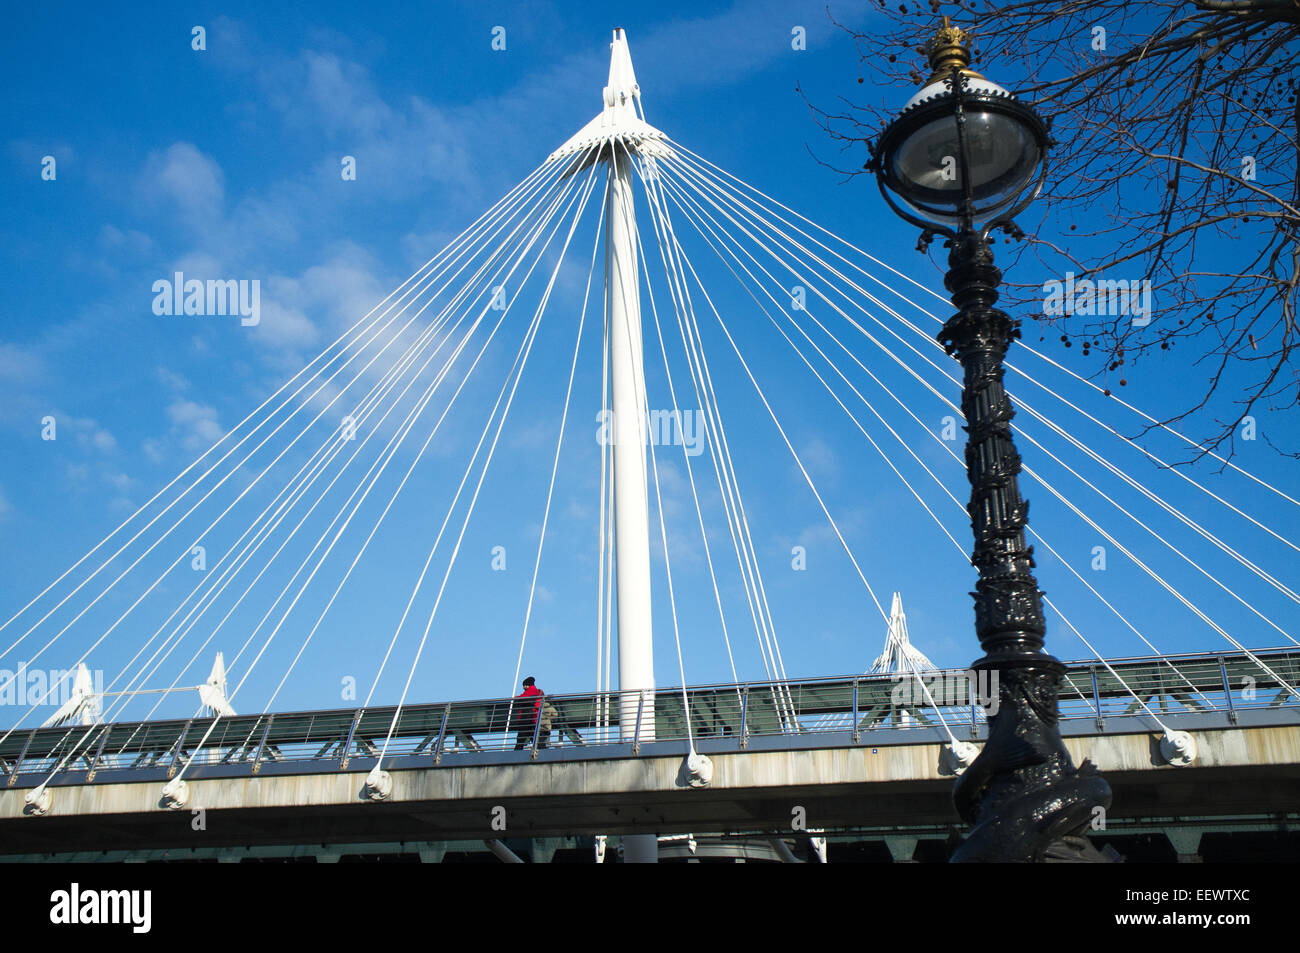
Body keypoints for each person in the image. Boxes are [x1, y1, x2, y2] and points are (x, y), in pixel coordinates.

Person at [513, 676, 543, 750]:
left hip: (526, 717)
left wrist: (516, 698)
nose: (523, 687)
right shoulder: (532, 691)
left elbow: (523, 698)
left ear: (527, 684)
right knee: (531, 735)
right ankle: (541, 748)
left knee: (522, 736)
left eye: (524, 685)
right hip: (530, 717)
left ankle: (517, 751)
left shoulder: (531, 690)